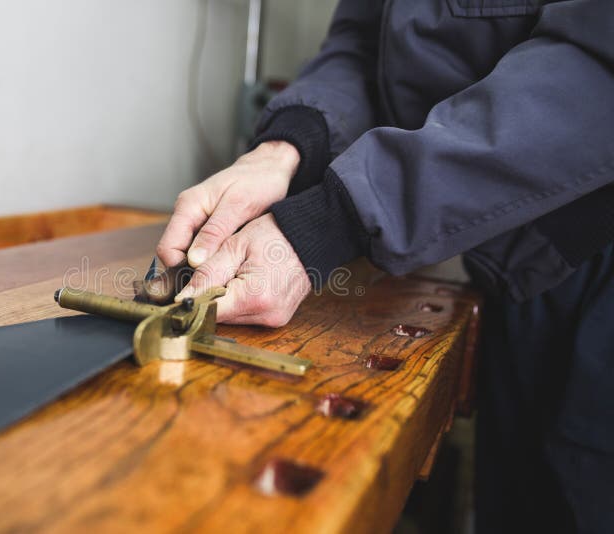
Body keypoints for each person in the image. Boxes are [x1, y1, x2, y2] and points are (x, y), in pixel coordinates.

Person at [155, 0, 614, 532]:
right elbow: (361, 44)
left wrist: (331, 219)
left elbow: (595, 69)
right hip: (520, 261)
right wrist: (287, 146)